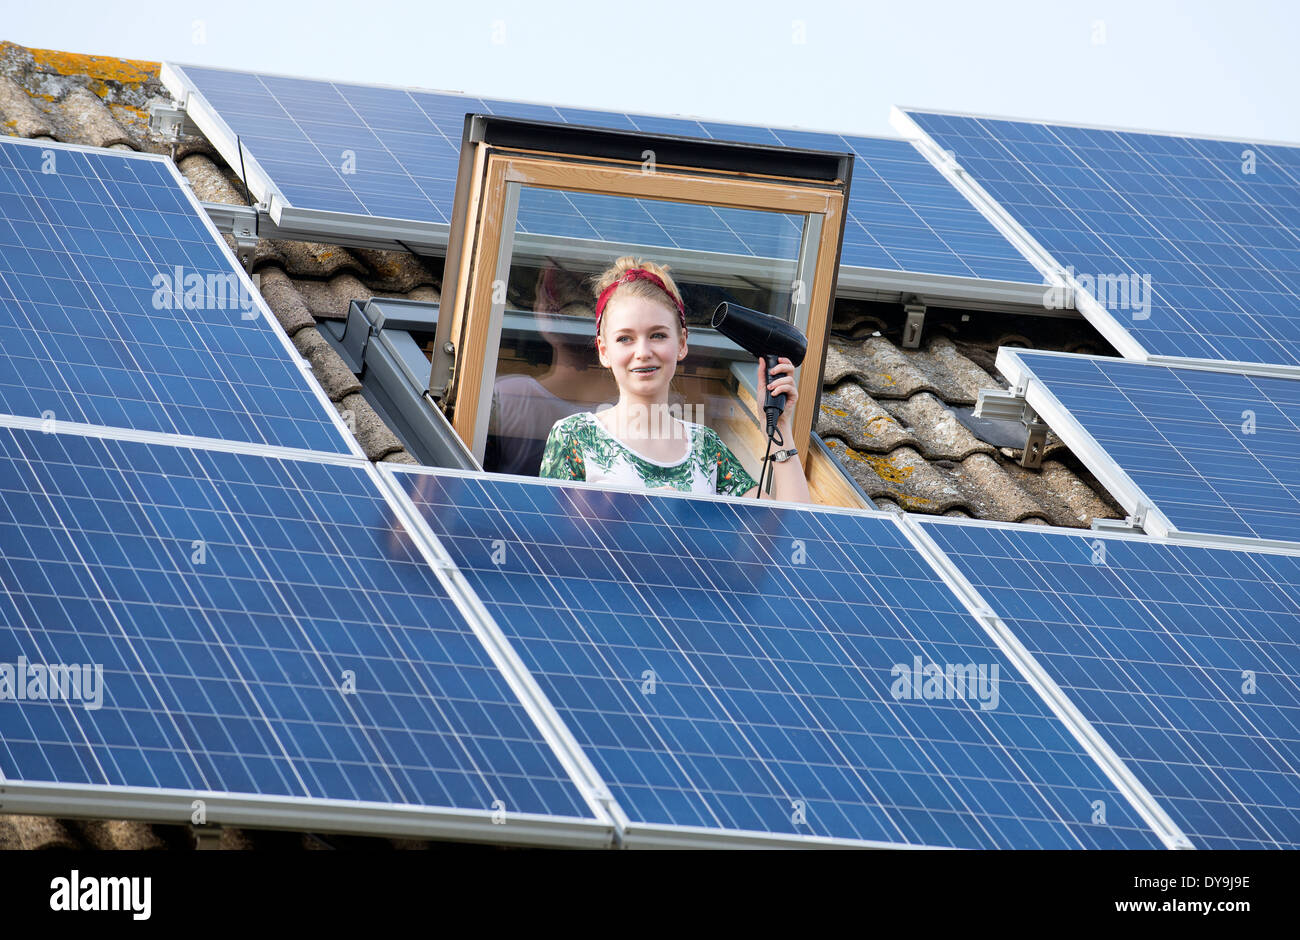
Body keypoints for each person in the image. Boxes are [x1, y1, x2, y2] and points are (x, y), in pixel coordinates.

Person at [539, 256, 811, 502]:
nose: (643, 352)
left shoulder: (705, 447)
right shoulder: (575, 436)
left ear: (682, 343)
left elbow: (791, 533)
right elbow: (552, 542)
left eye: (658, 335)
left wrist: (780, 430)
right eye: (625, 339)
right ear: (604, 350)